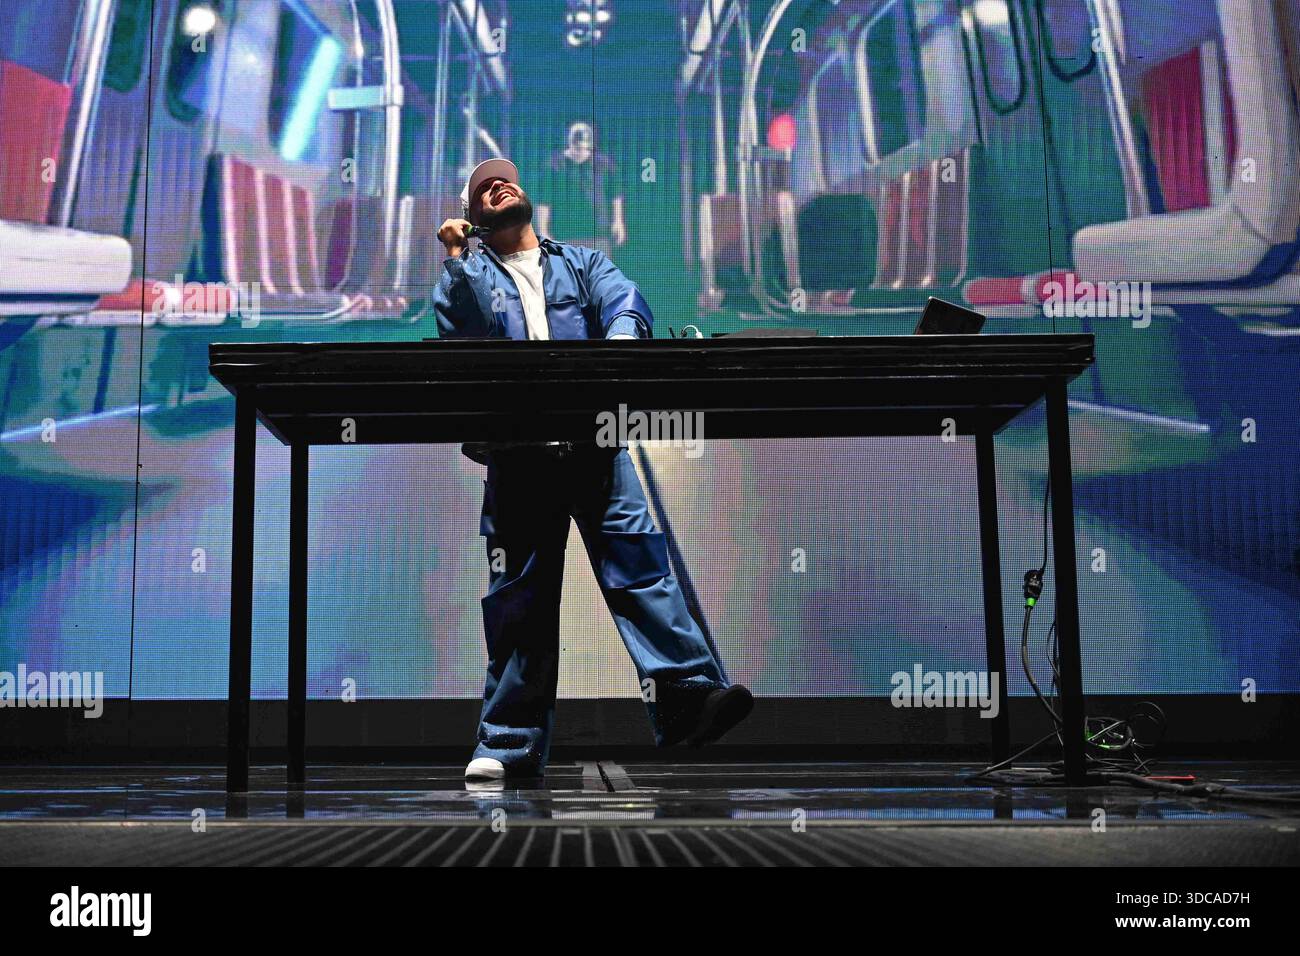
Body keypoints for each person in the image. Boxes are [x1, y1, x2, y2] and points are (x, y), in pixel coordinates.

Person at [432, 158, 752, 781]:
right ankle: (505, 745)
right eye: (483, 189)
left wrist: (619, 354)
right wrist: (457, 257)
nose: (499, 185)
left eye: (506, 180)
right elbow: (462, 335)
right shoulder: (468, 275)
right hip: (519, 455)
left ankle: (688, 699)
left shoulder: (582, 263)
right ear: (473, 219)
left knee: (641, 571)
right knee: (518, 600)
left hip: (595, 444)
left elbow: (626, 306)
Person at [535, 121, 626, 256]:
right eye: (577, 149)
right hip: (565, 234)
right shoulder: (554, 165)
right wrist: (543, 230)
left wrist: (618, 220)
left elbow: (615, 194)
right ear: (570, 144)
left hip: (598, 233)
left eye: (584, 149)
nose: (580, 153)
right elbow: (544, 200)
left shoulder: (604, 164)